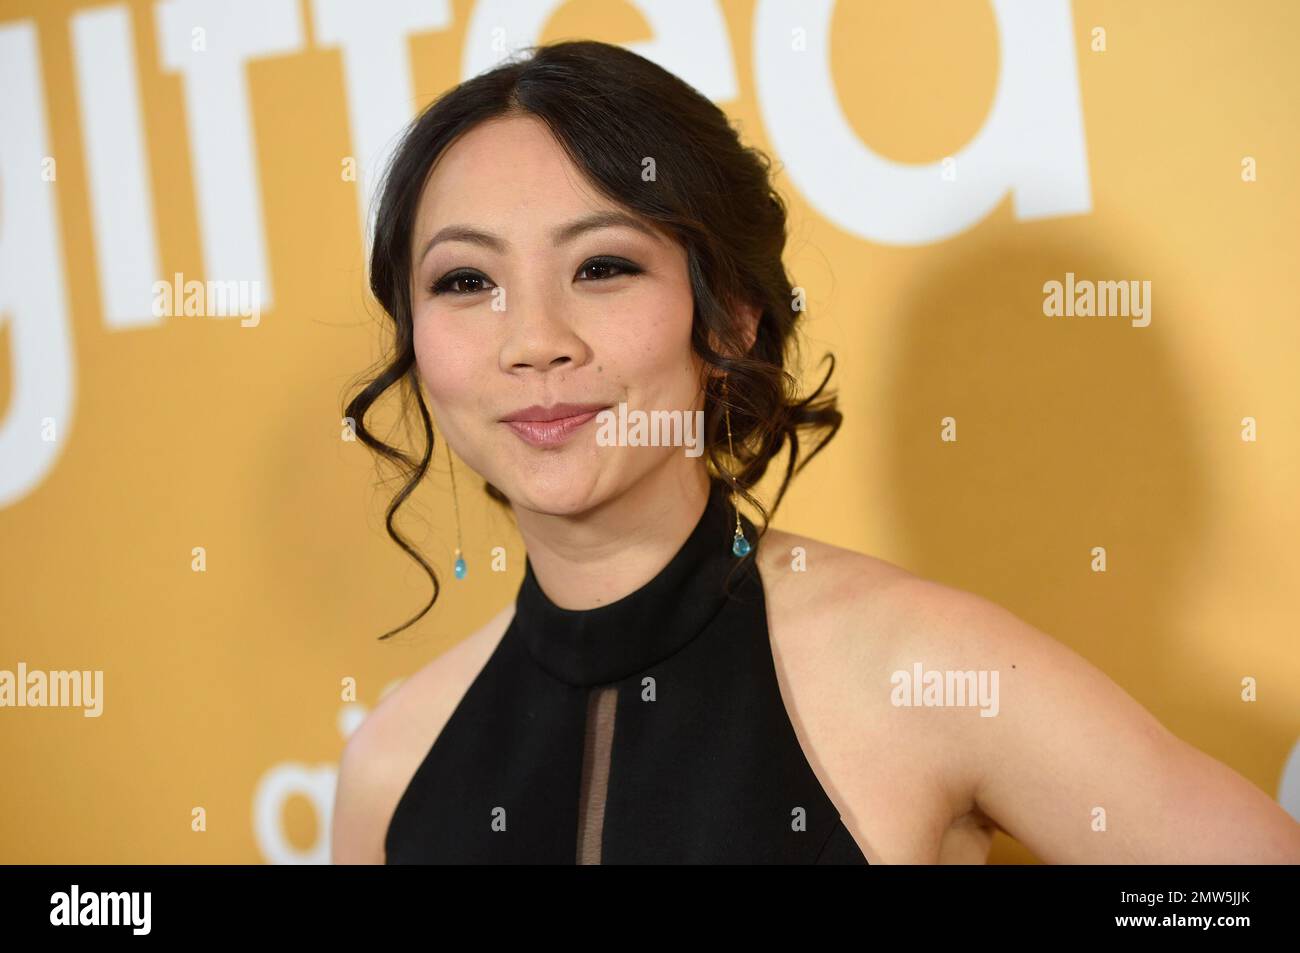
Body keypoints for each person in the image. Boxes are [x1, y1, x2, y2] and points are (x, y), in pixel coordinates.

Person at [331, 40, 1300, 864]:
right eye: (465, 280)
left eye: (603, 266)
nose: (532, 339)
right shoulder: (391, 766)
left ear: (732, 316)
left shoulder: (918, 667)